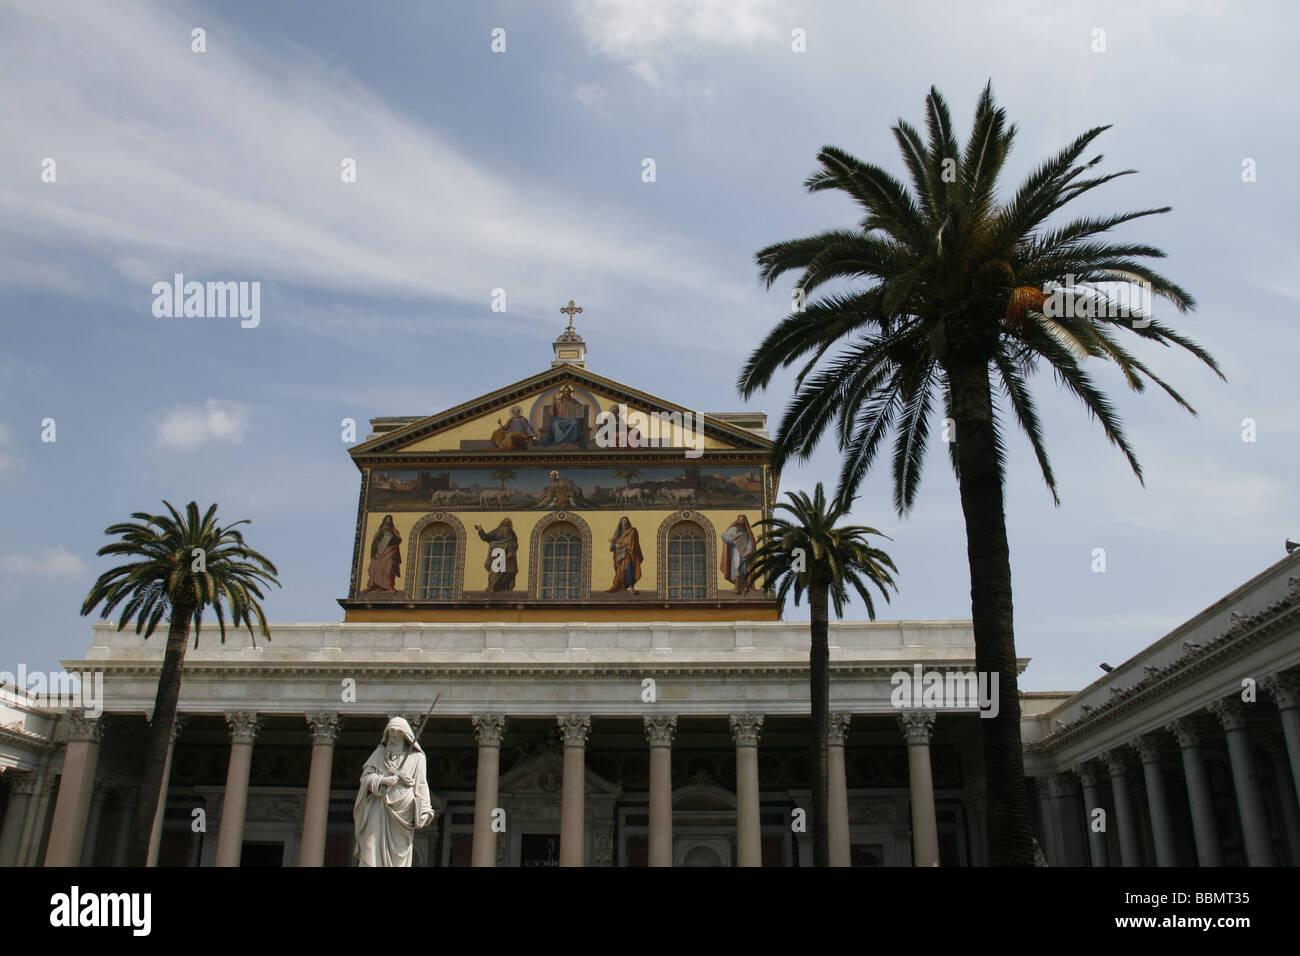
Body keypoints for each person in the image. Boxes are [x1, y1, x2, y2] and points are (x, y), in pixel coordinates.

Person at [353, 717, 434, 867]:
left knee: (399, 859)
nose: (393, 739)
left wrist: (425, 809)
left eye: (397, 735)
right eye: (391, 735)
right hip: (378, 807)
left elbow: (421, 784)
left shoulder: (417, 758)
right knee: (370, 848)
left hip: (403, 812)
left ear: (405, 737)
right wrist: (383, 780)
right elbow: (365, 779)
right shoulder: (379, 754)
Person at [475, 517, 518, 591]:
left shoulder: (512, 534)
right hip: (497, 556)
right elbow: (486, 537)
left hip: (508, 558)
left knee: (508, 573)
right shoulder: (496, 532)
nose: (506, 524)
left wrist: (512, 552)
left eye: (508, 523)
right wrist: (480, 529)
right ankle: (493, 587)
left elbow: (514, 544)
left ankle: (504, 588)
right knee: (494, 572)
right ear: (501, 524)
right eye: (505, 522)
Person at [720, 514, 756, 595]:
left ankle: (743, 586)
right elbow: (723, 536)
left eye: (742, 520)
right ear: (737, 521)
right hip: (735, 551)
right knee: (736, 567)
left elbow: (750, 543)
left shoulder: (747, 532)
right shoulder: (733, 530)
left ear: (745, 522)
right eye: (739, 520)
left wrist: (749, 551)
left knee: (743, 569)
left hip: (744, 553)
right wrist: (731, 538)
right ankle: (736, 586)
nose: (741, 522)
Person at [364, 515, 402, 593]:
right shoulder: (380, 531)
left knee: (389, 566)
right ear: (384, 521)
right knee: (377, 566)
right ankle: (378, 586)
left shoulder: (394, 531)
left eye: (389, 520)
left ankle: (388, 586)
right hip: (380, 553)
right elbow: (374, 544)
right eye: (387, 520)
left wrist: (394, 538)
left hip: (391, 552)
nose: (388, 521)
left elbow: (398, 541)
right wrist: (375, 554)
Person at [607, 516, 643, 593]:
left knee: (629, 569)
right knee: (620, 572)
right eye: (623, 521)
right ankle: (623, 586)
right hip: (620, 555)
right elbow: (613, 546)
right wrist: (615, 544)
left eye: (626, 521)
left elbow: (631, 542)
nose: (624, 522)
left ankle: (631, 587)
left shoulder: (632, 531)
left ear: (628, 522)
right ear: (621, 523)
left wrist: (618, 542)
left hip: (630, 554)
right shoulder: (619, 533)